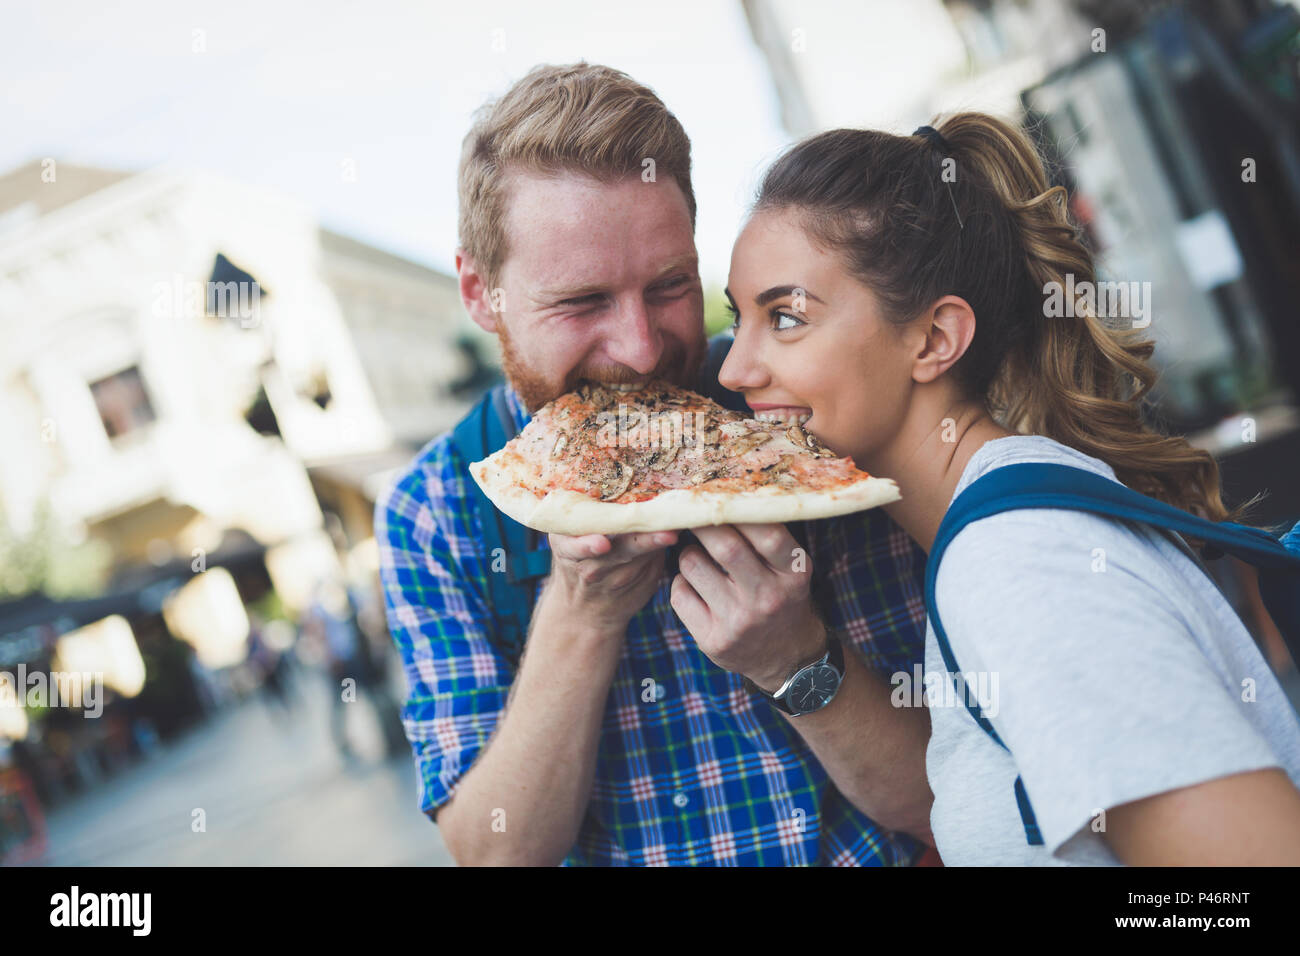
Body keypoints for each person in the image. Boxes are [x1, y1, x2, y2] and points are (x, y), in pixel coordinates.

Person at [375, 62, 939, 866]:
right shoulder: (433, 512)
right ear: (479, 293)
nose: (640, 351)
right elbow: (496, 854)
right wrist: (582, 612)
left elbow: (956, 800)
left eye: (670, 286)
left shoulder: (803, 416)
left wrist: (796, 657)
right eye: (581, 302)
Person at [718, 113, 1300, 864]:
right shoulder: (1006, 532)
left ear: (934, 340)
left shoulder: (1016, 563)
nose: (735, 372)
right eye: (740, 320)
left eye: (786, 317)